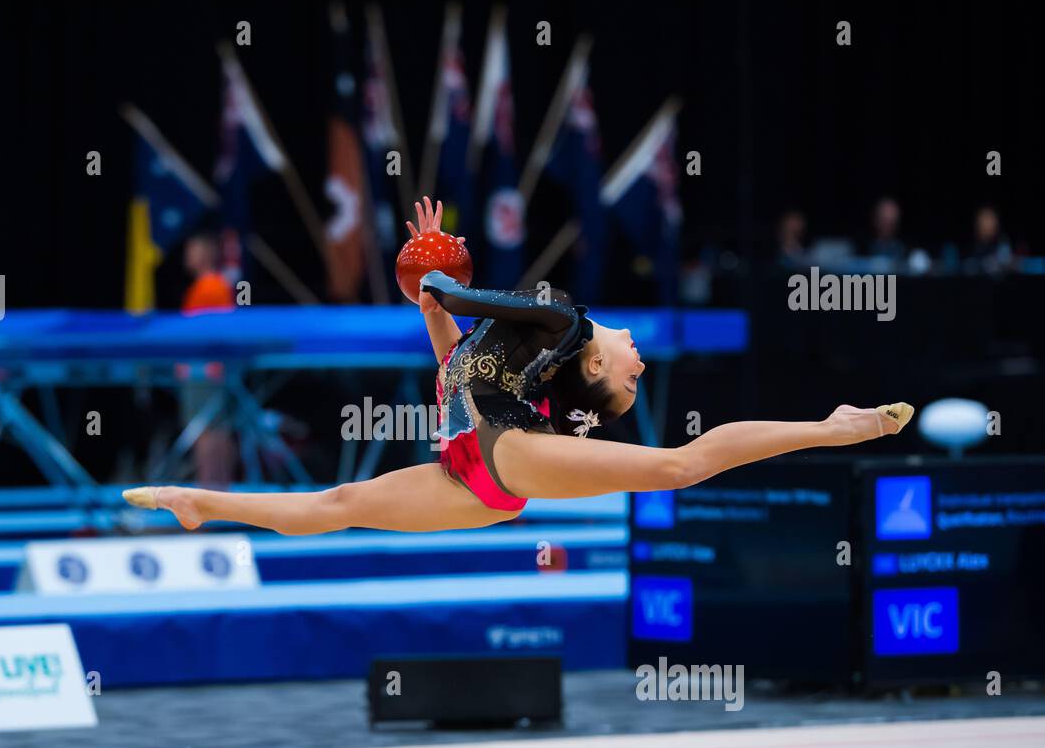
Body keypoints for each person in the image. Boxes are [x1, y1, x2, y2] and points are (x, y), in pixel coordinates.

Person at [124, 198, 913, 534]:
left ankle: (828, 428)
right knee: (337, 504)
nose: (639, 354)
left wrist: (435, 283)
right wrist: (434, 298)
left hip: (498, 456)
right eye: (636, 361)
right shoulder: (553, 327)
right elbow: (462, 364)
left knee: (678, 464)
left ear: (592, 364)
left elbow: (477, 320)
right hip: (477, 473)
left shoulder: (558, 320)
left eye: (632, 367)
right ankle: (202, 502)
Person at [180, 233, 235, 314]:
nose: (187, 256)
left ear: (207, 254)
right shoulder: (208, 284)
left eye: (192, 251)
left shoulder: (210, 287)